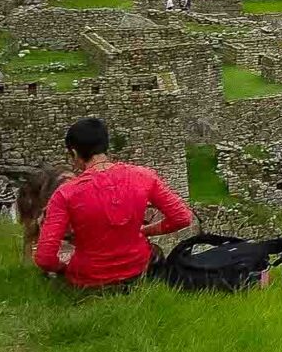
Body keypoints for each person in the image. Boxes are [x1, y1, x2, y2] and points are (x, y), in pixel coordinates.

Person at [33, 117, 193, 288]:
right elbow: (182, 217)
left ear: (74, 153)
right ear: (105, 146)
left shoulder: (65, 194)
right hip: (138, 270)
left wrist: (63, 268)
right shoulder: (143, 176)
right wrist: (145, 231)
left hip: (87, 279)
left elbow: (45, 257)